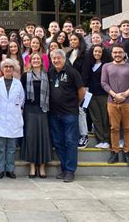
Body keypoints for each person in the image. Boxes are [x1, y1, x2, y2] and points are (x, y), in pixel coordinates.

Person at [48, 49, 85, 183]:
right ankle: (64, 169)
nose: (56, 61)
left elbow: (81, 91)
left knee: (70, 142)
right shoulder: (50, 73)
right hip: (54, 114)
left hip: (69, 113)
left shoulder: (72, 72)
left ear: (64, 59)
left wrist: (75, 104)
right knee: (58, 142)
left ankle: (70, 171)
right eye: (54, 59)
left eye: (59, 58)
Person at [101, 44, 129, 164]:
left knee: (127, 128)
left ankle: (127, 152)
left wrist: (124, 95)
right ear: (112, 54)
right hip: (112, 102)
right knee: (114, 128)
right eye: (115, 52)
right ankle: (115, 152)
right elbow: (104, 83)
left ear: (124, 54)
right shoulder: (106, 66)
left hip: (128, 102)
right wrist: (115, 95)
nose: (117, 54)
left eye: (120, 52)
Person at [0, 59, 25, 179]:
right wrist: (1, 109)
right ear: (2, 69)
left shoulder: (18, 83)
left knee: (11, 147)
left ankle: (10, 169)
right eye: (6, 67)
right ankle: (0, 170)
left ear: (13, 69)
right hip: (0, 117)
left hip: (14, 117)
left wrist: (12, 108)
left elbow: (21, 99)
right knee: (0, 147)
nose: (8, 69)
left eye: (10, 66)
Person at [20, 53, 52, 178]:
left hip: (43, 109)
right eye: (34, 59)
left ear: (42, 61)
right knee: (31, 137)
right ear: (30, 61)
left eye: (38, 58)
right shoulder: (25, 76)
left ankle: (42, 167)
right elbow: (21, 94)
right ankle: (32, 166)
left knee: (43, 137)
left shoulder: (47, 75)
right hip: (30, 109)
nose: (36, 60)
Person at [81, 44, 111, 149]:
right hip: (91, 95)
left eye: (99, 52)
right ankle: (100, 139)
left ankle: (106, 140)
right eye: (95, 51)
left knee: (105, 118)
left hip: (103, 95)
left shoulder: (106, 65)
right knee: (96, 118)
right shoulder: (89, 64)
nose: (97, 53)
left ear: (102, 53)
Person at [66, 32, 88, 148]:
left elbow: (85, 73)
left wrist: (80, 87)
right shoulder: (68, 53)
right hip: (70, 88)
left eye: (75, 39)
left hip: (83, 87)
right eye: (71, 40)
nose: (72, 42)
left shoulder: (85, 54)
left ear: (80, 40)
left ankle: (84, 135)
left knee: (81, 111)